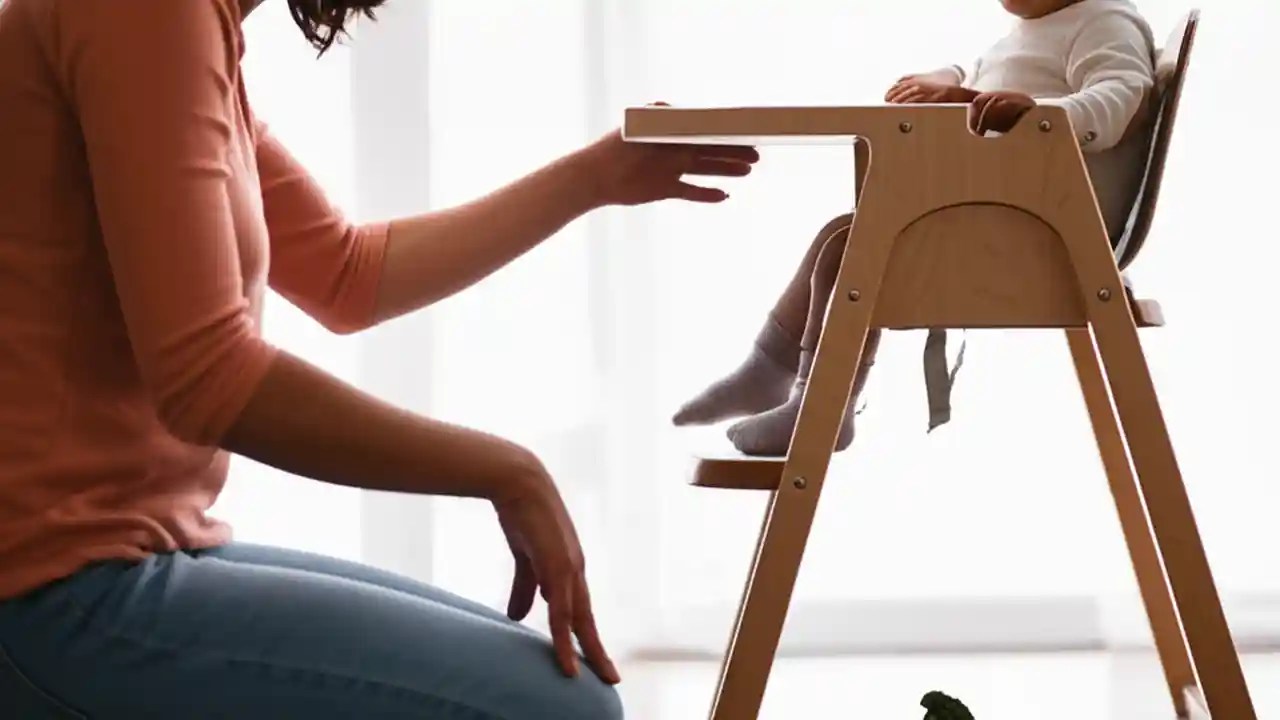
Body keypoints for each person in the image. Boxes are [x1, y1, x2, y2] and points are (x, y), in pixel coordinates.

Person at [0, 0, 758, 717]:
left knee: (567, 689)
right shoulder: (145, 15)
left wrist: (596, 178)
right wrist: (504, 469)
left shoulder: (194, 29)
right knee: (558, 707)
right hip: (52, 593)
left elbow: (345, 273)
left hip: (127, 553)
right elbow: (206, 377)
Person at [673, 0, 1156, 456]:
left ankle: (820, 405)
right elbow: (978, 72)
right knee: (842, 236)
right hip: (1007, 226)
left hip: (1045, 241)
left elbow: (1123, 96)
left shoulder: (1103, 20)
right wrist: (943, 80)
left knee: (854, 251)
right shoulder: (1040, 27)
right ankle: (768, 369)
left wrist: (1033, 113)